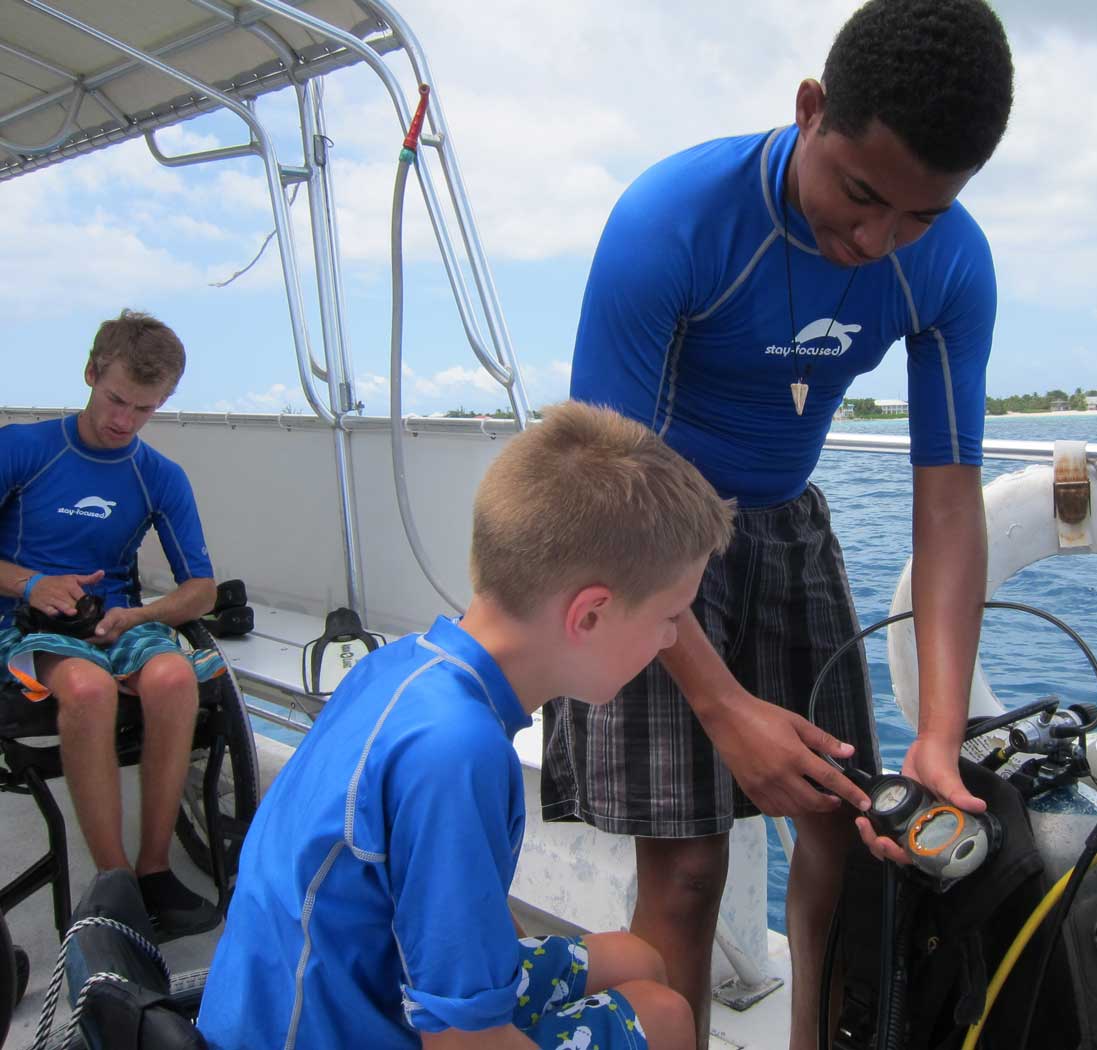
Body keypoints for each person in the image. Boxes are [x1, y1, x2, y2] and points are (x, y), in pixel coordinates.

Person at [541, 0, 1015, 1044]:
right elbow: (601, 487)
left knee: (849, 834)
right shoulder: (671, 220)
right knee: (688, 865)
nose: (874, 240)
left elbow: (947, 501)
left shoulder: (951, 264)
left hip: (788, 527)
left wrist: (938, 739)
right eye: (860, 193)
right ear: (809, 110)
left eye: (918, 216)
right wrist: (722, 708)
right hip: (645, 536)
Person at [198, 401, 735, 1050]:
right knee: (662, 1016)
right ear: (590, 616)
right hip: (332, 1031)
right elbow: (461, 1043)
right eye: (671, 616)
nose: (673, 638)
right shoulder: (457, 750)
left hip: (318, 990)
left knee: (637, 959)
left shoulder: (406, 666)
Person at [0, 309, 223, 938]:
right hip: (21, 617)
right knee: (90, 689)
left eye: (143, 409)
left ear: (163, 403)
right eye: (116, 399)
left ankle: (155, 869)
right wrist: (32, 583)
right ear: (92, 373)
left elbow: (202, 590)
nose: (123, 420)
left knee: (175, 679)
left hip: (118, 618)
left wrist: (141, 615)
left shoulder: (159, 477)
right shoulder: (21, 450)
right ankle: (114, 880)